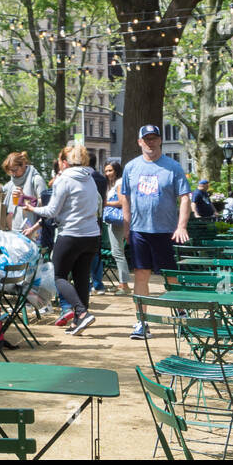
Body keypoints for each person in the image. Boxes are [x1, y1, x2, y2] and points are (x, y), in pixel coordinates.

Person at [120, 125, 191, 339]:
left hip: (166, 231)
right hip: (140, 230)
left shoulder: (173, 167)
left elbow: (185, 196)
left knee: (171, 278)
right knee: (141, 275)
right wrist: (126, 226)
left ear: (160, 141)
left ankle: (181, 317)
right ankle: (142, 322)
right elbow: (125, 196)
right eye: (146, 139)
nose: (150, 142)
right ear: (140, 142)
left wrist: (182, 226)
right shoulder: (131, 167)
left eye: (154, 138)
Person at [24, 145, 102, 335]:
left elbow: (51, 212)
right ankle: (78, 321)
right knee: (82, 278)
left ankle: (81, 313)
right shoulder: (90, 178)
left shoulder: (64, 180)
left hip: (71, 234)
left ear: (65, 162)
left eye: (59, 161)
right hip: (92, 235)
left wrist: (31, 208)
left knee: (58, 275)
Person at [0, 151, 49, 234]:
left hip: (33, 230)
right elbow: (3, 190)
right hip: (15, 228)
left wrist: (25, 198)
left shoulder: (36, 180)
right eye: (10, 171)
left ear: (23, 164)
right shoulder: (14, 180)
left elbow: (45, 205)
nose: (13, 174)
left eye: (14, 170)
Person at [102, 160, 132, 296]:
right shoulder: (114, 183)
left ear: (117, 170)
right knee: (117, 252)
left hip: (118, 222)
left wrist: (105, 203)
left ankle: (124, 285)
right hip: (114, 222)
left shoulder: (119, 183)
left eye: (110, 170)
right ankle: (121, 283)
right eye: (106, 170)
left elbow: (121, 202)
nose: (107, 173)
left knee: (118, 252)